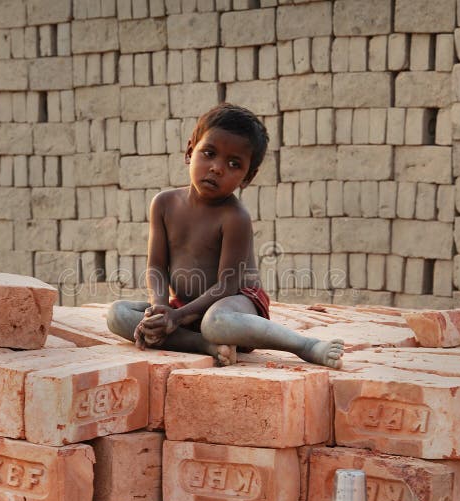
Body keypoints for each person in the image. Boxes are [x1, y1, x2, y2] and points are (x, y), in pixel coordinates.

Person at [106, 103, 343, 369]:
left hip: (234, 304)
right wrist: (160, 308)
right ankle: (202, 345)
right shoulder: (163, 203)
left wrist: (178, 316)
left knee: (216, 323)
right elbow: (156, 267)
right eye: (208, 153)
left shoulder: (235, 218)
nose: (217, 168)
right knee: (118, 315)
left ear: (247, 177)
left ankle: (305, 346)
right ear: (189, 152)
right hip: (184, 308)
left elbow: (226, 286)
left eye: (233, 164)